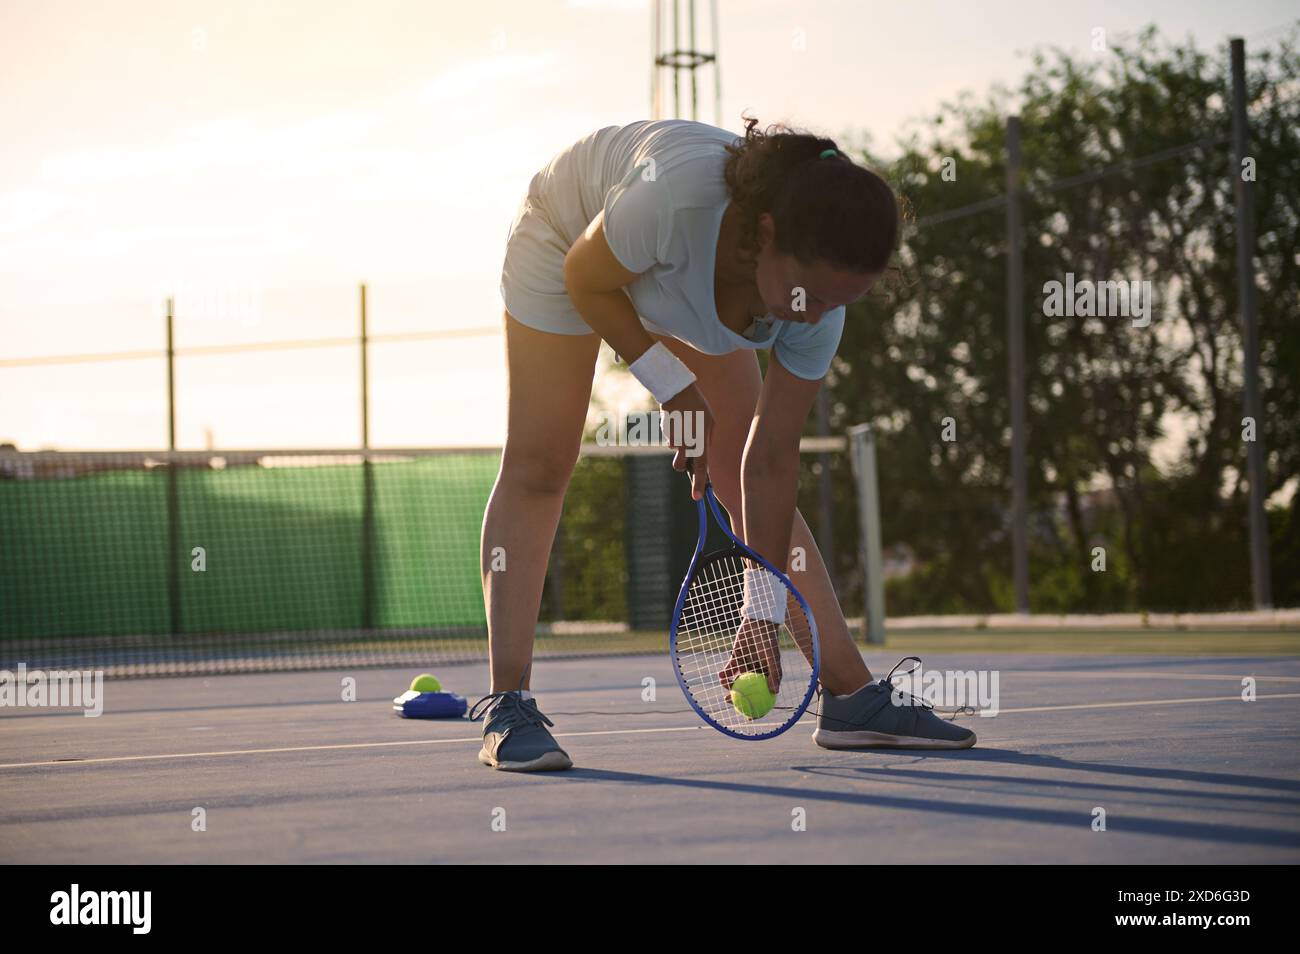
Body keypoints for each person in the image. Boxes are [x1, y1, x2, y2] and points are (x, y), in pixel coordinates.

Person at [468, 117, 976, 770]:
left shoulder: (815, 310)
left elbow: (768, 466)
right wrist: (670, 387)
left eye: (838, 303)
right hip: (570, 242)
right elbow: (587, 278)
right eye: (812, 296)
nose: (815, 316)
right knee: (542, 465)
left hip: (681, 278)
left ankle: (850, 697)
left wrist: (758, 614)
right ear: (764, 236)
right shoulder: (671, 199)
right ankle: (508, 704)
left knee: (739, 473)